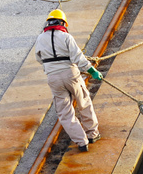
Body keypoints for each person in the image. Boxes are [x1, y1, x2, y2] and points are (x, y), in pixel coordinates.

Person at [35, 9, 102, 151]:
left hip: (53, 78)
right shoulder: (66, 37)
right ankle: (92, 134)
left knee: (65, 112)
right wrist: (92, 71)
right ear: (63, 23)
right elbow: (78, 57)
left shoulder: (40, 38)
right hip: (71, 74)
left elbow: (39, 58)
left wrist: (52, 66)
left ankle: (81, 142)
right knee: (84, 102)